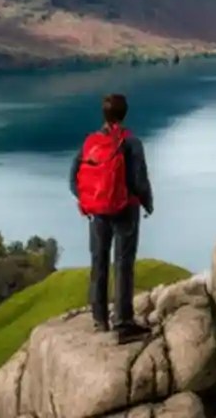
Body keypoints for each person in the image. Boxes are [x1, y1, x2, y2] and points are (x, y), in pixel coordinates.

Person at [70, 93, 154, 343]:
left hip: (98, 213)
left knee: (98, 262)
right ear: (125, 113)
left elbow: (73, 177)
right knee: (123, 264)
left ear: (104, 115)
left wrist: (89, 200)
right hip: (125, 209)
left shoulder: (91, 142)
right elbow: (140, 180)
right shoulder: (131, 142)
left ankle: (99, 319)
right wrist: (148, 203)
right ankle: (123, 322)